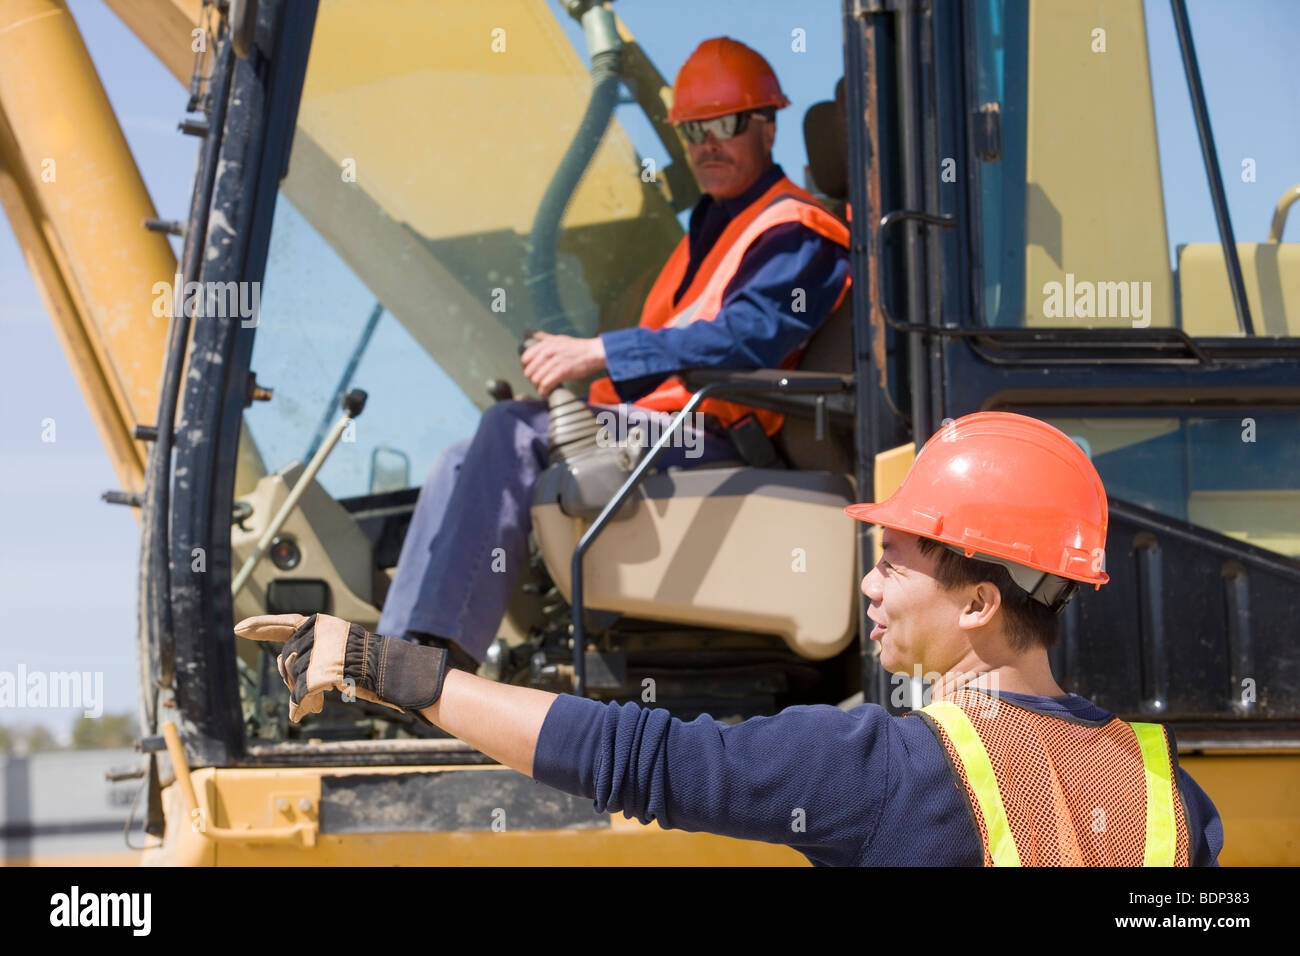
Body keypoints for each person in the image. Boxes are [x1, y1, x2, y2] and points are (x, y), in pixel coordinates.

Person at [237, 411, 1223, 866]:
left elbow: (640, 756)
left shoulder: (887, 767)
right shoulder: (1171, 797)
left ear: (976, 601)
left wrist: (391, 668)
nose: (868, 582)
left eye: (895, 558)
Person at [376, 36, 851, 667]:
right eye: (692, 129)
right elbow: (669, 361)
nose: (706, 142)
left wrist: (595, 353)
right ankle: (393, 652)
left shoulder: (795, 229)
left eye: (726, 123)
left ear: (766, 127)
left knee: (512, 431)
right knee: (466, 455)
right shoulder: (714, 229)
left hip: (714, 437)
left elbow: (752, 339)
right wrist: (576, 399)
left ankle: (432, 668)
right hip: (670, 431)